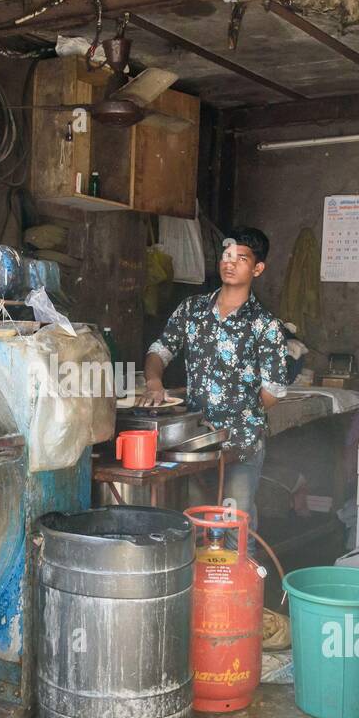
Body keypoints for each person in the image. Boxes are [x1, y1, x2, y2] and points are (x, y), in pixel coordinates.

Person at [139, 227, 288, 544]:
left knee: (236, 527)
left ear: (257, 268)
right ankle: (202, 593)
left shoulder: (264, 324)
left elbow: (273, 391)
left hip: (242, 444)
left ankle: (238, 593)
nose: (230, 263)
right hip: (196, 442)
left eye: (241, 258)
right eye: (226, 255)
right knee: (196, 524)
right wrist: (154, 380)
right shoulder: (192, 311)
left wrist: (240, 413)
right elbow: (159, 351)